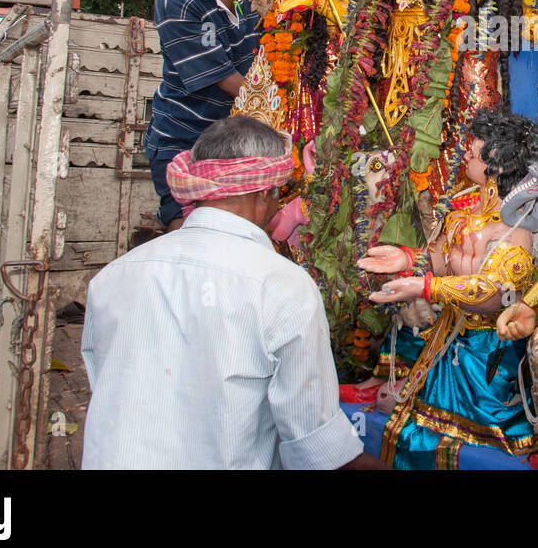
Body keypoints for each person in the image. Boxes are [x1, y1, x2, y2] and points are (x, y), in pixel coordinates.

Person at [81, 116, 376, 469]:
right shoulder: (282, 286)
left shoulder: (112, 277)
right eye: (280, 193)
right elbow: (316, 446)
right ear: (266, 192)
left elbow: (108, 392)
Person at [360, 109, 538, 468]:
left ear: (499, 160)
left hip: (488, 355)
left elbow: (493, 293)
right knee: (417, 433)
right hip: (448, 341)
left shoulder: (516, 225)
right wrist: (407, 258)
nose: (468, 151)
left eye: (477, 146)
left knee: (472, 451)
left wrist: (425, 286)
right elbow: (442, 261)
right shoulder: (462, 210)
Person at [143, 0, 275, 229]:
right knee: (191, 232)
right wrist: (283, 107)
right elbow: (226, 80)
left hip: (247, 131)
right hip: (189, 137)